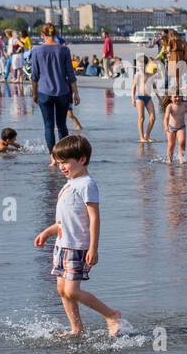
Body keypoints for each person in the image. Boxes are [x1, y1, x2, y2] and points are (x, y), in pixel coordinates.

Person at [33, 135, 123, 337]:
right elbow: (63, 221)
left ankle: (111, 315)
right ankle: (76, 328)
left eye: (65, 162)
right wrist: (48, 232)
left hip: (78, 246)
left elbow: (94, 218)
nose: (62, 167)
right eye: (59, 163)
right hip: (62, 245)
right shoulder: (68, 185)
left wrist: (93, 247)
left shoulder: (87, 184)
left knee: (72, 290)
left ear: (81, 160)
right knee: (62, 289)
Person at [28, 24, 80, 165]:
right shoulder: (64, 50)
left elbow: (34, 76)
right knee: (62, 125)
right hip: (63, 91)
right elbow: (71, 74)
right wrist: (76, 93)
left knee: (48, 126)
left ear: (42, 34)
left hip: (44, 92)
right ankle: (64, 156)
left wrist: (34, 93)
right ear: (55, 33)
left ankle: (53, 157)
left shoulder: (36, 50)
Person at [162, 95, 187, 164]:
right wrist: (166, 127)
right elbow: (166, 117)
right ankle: (169, 159)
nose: (178, 98)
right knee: (171, 145)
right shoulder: (170, 106)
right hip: (171, 128)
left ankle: (181, 158)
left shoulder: (184, 104)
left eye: (179, 96)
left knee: (182, 141)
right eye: (175, 97)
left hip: (181, 127)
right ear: (170, 98)